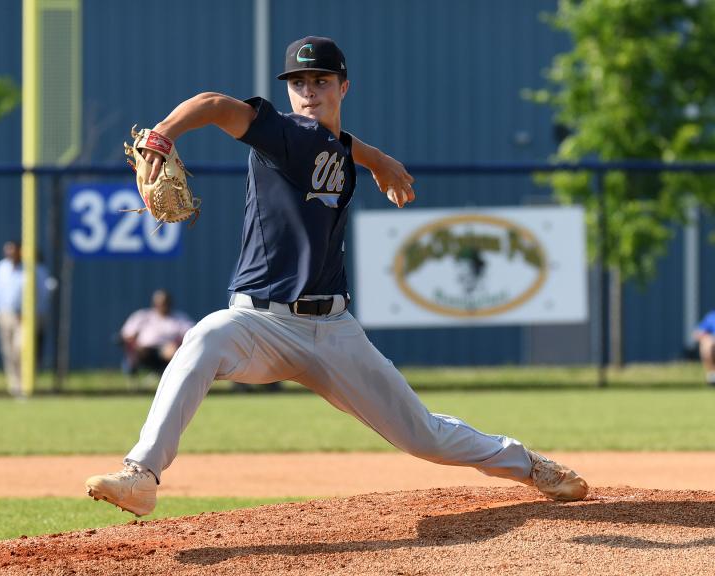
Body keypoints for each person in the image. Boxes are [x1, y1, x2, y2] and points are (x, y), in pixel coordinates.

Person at [86, 36, 588, 516]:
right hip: (260, 323)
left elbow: (341, 143)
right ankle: (142, 474)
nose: (308, 91)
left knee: (424, 435)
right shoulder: (281, 134)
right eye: (298, 82)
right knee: (204, 337)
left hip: (333, 330)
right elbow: (214, 104)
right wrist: (163, 134)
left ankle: (527, 464)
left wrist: (379, 160)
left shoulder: (337, 146)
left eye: (321, 81)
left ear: (343, 86)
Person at [0, 241, 51, 396]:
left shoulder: (30, 268)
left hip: (24, 316)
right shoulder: (1, 268)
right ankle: (15, 386)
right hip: (5, 314)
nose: (10, 253)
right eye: (8, 250)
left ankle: (26, 383)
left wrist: (29, 311)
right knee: (8, 352)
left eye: (13, 250)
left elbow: (39, 293)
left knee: (21, 349)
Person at [120, 289, 195, 376]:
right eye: (159, 303)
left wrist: (177, 344)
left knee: (171, 351)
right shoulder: (142, 316)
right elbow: (126, 335)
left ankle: (166, 374)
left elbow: (192, 334)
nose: (162, 306)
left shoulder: (179, 318)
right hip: (144, 350)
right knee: (140, 352)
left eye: (165, 303)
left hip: (167, 350)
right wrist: (134, 345)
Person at [693, 310, 715, 386]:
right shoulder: (711, 317)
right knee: (707, 343)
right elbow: (697, 334)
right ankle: (712, 373)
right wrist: (709, 338)